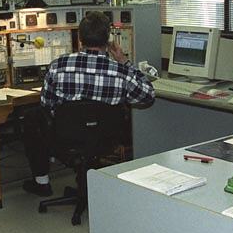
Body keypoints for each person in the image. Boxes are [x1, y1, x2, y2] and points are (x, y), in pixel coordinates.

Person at [21, 11, 155, 196]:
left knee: (32, 117)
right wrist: (124, 61)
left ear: (79, 38)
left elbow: (46, 105)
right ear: (107, 39)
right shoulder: (120, 72)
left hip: (64, 137)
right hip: (106, 138)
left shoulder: (58, 66)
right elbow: (148, 96)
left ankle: (42, 182)